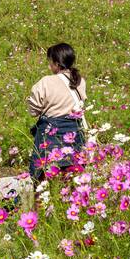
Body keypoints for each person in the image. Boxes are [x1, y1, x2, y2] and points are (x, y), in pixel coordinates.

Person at [27, 43, 87, 182]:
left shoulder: (46, 82)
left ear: (57, 63)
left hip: (51, 135)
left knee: (44, 178)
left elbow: (33, 111)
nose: (49, 66)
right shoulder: (79, 80)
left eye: (50, 62)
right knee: (71, 176)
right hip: (74, 133)